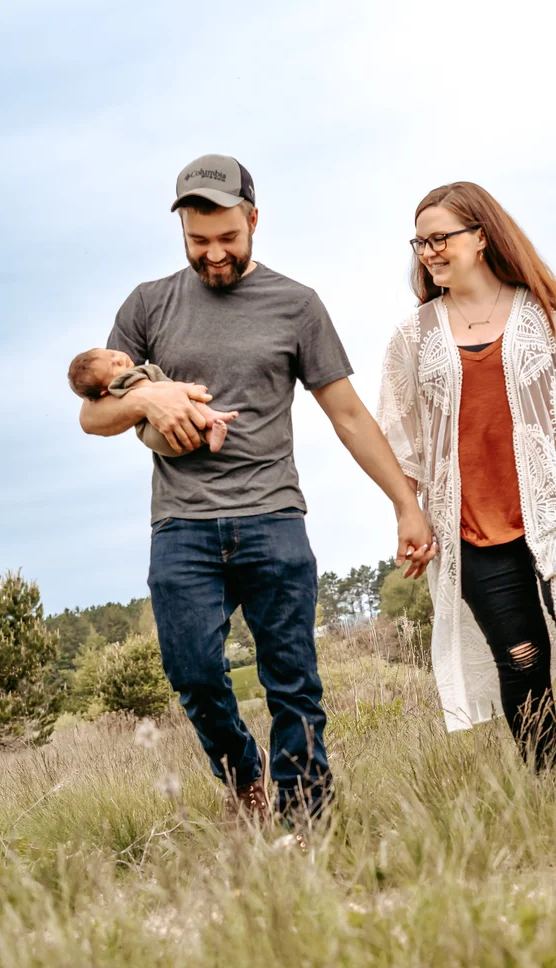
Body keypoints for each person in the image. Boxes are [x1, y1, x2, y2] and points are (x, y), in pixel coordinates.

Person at [79, 153, 435, 828]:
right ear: (182, 230)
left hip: (273, 517)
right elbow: (93, 415)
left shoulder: (295, 304)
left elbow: (348, 414)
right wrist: (148, 399)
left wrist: (405, 504)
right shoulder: (147, 305)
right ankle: (245, 772)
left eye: (227, 237)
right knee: (192, 672)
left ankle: (306, 825)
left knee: (293, 682)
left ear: (254, 220)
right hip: (182, 525)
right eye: (198, 240)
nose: (213, 253)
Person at [377, 181, 556, 775]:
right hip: (471, 523)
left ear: (480, 236)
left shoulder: (547, 315)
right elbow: (397, 437)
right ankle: (549, 794)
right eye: (420, 243)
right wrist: (408, 513)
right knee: (520, 659)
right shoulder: (413, 337)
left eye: (440, 238)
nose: (428, 252)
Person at [69, 348, 239, 455]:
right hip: (163, 430)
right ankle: (211, 417)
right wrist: (186, 389)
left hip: (160, 442)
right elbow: (158, 390)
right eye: (112, 366)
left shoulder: (115, 390)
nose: (118, 359)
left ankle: (209, 437)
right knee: (184, 401)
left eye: (112, 354)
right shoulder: (128, 378)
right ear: (104, 391)